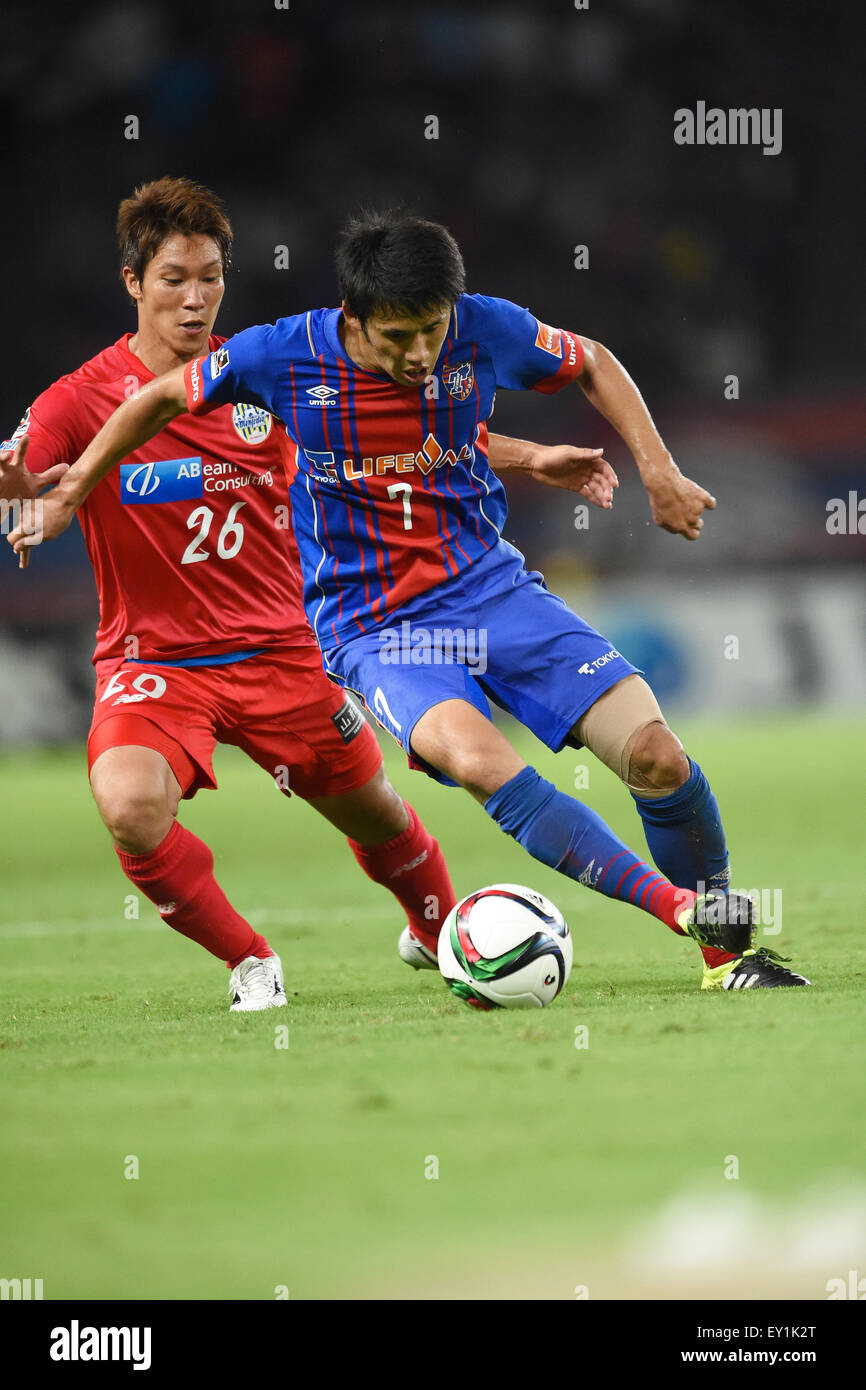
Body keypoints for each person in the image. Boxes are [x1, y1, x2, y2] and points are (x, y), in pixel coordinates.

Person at [7, 208, 810, 990]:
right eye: (398, 337)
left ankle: (726, 961)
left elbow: (589, 362)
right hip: (373, 626)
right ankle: (685, 912)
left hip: (492, 590)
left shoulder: (481, 328)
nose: (421, 352)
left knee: (656, 758)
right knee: (480, 761)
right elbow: (159, 398)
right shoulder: (280, 357)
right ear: (353, 318)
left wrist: (653, 470)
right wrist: (76, 483)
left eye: (432, 330)